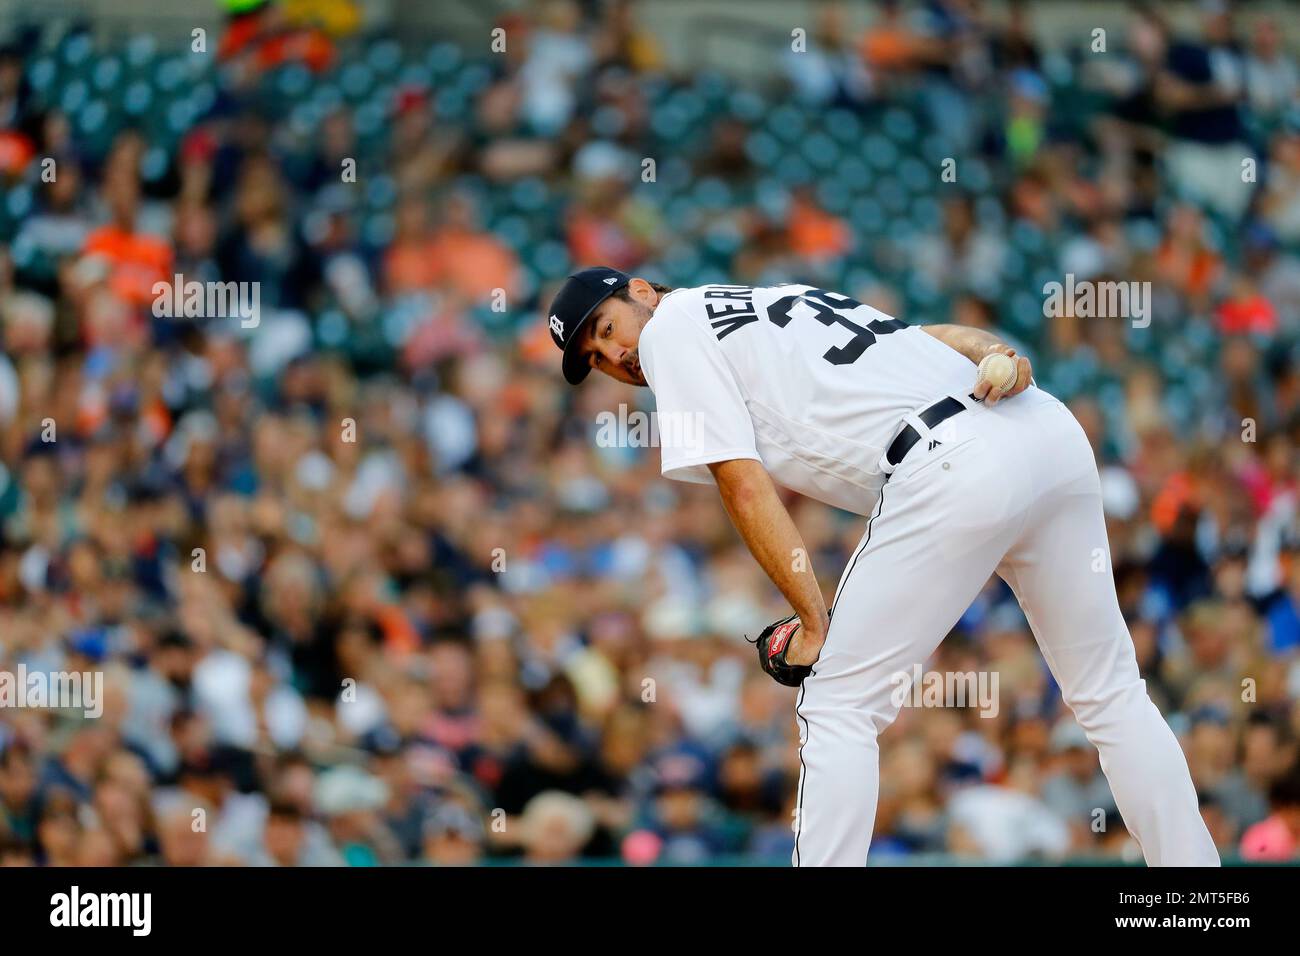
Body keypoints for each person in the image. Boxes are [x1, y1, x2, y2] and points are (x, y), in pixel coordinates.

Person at [547, 267, 1220, 867]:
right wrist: (992, 349)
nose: (614, 353)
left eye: (606, 328)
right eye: (594, 357)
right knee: (1110, 692)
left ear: (641, 291)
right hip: (1042, 432)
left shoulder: (669, 332)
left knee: (838, 701)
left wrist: (814, 621)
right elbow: (918, 336)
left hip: (953, 459)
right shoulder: (765, 299)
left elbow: (742, 483)